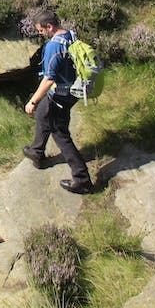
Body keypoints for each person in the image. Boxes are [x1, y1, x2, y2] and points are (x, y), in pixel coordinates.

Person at [23, 10, 93, 194]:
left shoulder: (53, 46)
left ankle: (82, 179)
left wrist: (32, 101)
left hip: (61, 94)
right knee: (43, 114)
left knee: (60, 133)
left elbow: (49, 79)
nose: (40, 34)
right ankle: (36, 151)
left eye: (41, 30)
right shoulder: (69, 34)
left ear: (50, 27)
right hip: (71, 89)